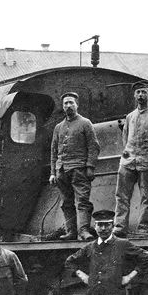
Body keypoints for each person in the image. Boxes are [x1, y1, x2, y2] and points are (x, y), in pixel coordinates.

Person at [114, 80, 148, 236]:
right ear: (134, 95)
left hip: (147, 162)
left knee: (146, 197)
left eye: (144, 92)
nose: (140, 95)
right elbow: (125, 138)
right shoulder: (130, 116)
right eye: (138, 92)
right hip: (128, 162)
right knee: (122, 195)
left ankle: (143, 228)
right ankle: (120, 226)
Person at [49, 92, 101, 241]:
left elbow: (93, 146)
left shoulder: (85, 123)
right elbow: (54, 151)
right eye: (65, 103)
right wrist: (53, 172)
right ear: (62, 106)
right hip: (62, 171)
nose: (68, 106)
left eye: (71, 102)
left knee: (83, 201)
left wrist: (90, 166)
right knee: (66, 202)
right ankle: (71, 231)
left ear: (77, 105)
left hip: (79, 169)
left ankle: (83, 231)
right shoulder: (58, 127)